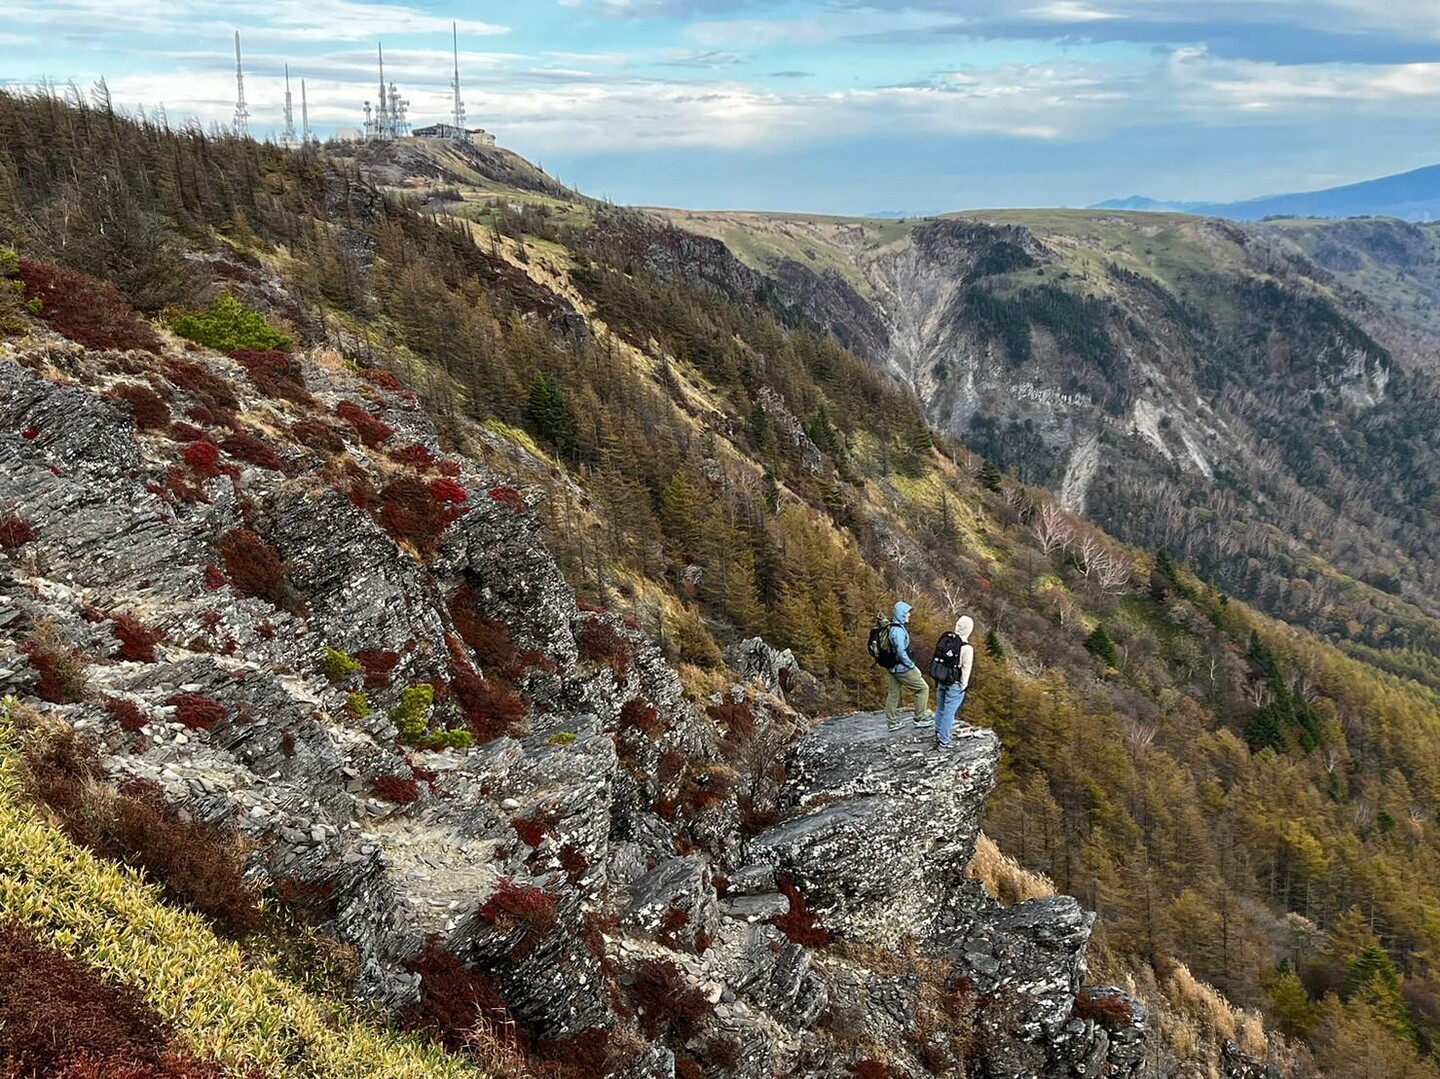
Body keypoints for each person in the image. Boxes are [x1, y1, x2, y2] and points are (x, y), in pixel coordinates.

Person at [884, 601, 932, 731]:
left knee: (893, 693)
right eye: (907, 612)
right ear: (901, 614)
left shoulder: (892, 627)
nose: (909, 615)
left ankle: (892, 722)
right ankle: (919, 718)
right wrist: (910, 665)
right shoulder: (898, 631)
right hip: (902, 667)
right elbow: (900, 652)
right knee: (922, 689)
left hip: (893, 667)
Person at [930, 616, 975, 751]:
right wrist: (963, 686)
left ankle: (938, 734)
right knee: (950, 711)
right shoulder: (966, 648)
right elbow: (966, 669)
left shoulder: (947, 640)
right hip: (954, 682)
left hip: (941, 679)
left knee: (941, 708)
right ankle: (944, 741)